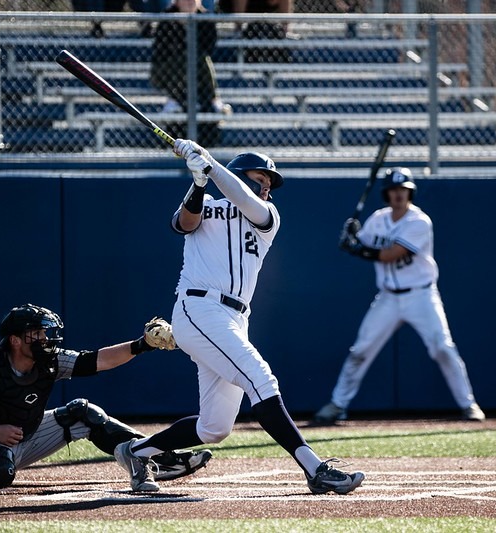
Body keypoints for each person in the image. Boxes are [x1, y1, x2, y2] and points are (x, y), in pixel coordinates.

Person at [111, 139, 365, 495]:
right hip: (198, 307)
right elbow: (183, 224)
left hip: (233, 318)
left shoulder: (267, 216)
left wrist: (210, 165)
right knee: (261, 379)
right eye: (261, 178)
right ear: (241, 173)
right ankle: (314, 468)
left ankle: (135, 453)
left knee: (214, 427)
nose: (266, 187)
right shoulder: (209, 204)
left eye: (269, 183)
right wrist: (199, 180)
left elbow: (243, 197)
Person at [0, 303, 212, 489]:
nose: (46, 338)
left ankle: (153, 457)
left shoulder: (49, 361)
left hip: (24, 436)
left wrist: (141, 345)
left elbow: (96, 360)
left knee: (83, 412)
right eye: (38, 333)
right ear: (16, 341)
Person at [313, 168, 486, 424]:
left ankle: (469, 404)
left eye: (403, 189)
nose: (398, 194)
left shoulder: (419, 221)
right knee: (360, 350)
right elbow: (360, 241)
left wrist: (358, 250)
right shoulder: (378, 219)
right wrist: (351, 236)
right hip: (388, 298)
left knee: (443, 348)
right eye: (394, 190)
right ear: (386, 193)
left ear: (410, 192)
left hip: (421, 295)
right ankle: (338, 404)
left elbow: (392, 253)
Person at [151, 0, 231, 146]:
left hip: (194, 74)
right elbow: (162, 51)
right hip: (166, 71)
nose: (189, 2)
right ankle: (208, 98)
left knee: (198, 58)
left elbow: (209, 47)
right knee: (192, 57)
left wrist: (191, 26)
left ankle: (179, 100)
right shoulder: (168, 18)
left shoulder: (205, 18)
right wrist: (182, 26)